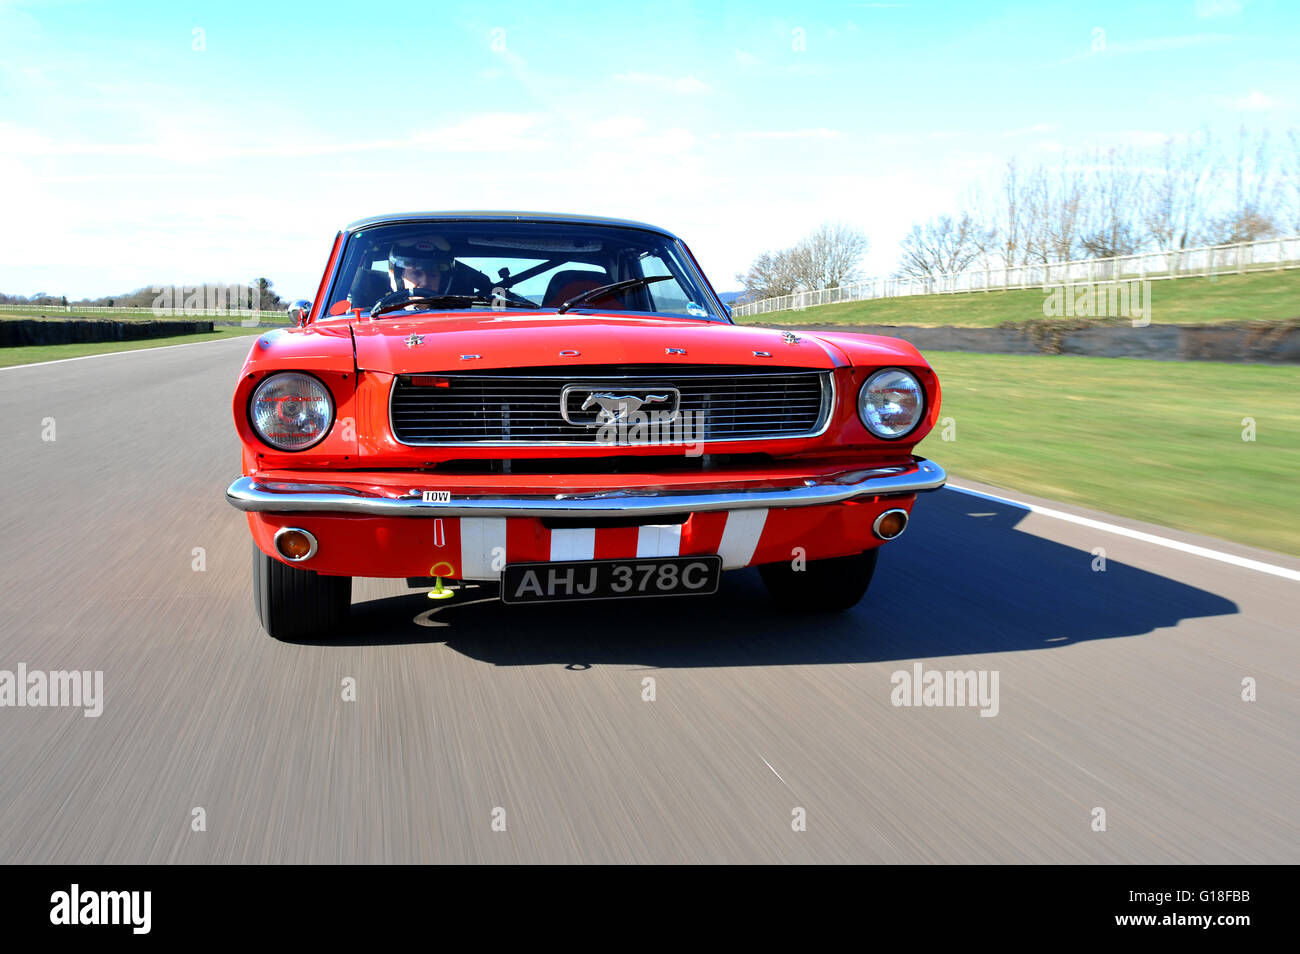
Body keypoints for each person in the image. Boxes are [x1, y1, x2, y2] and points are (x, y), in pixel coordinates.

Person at [387, 238, 460, 296]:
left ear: (442, 281)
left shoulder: (461, 313)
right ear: (398, 277)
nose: (425, 283)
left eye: (432, 275)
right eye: (416, 274)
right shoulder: (382, 313)